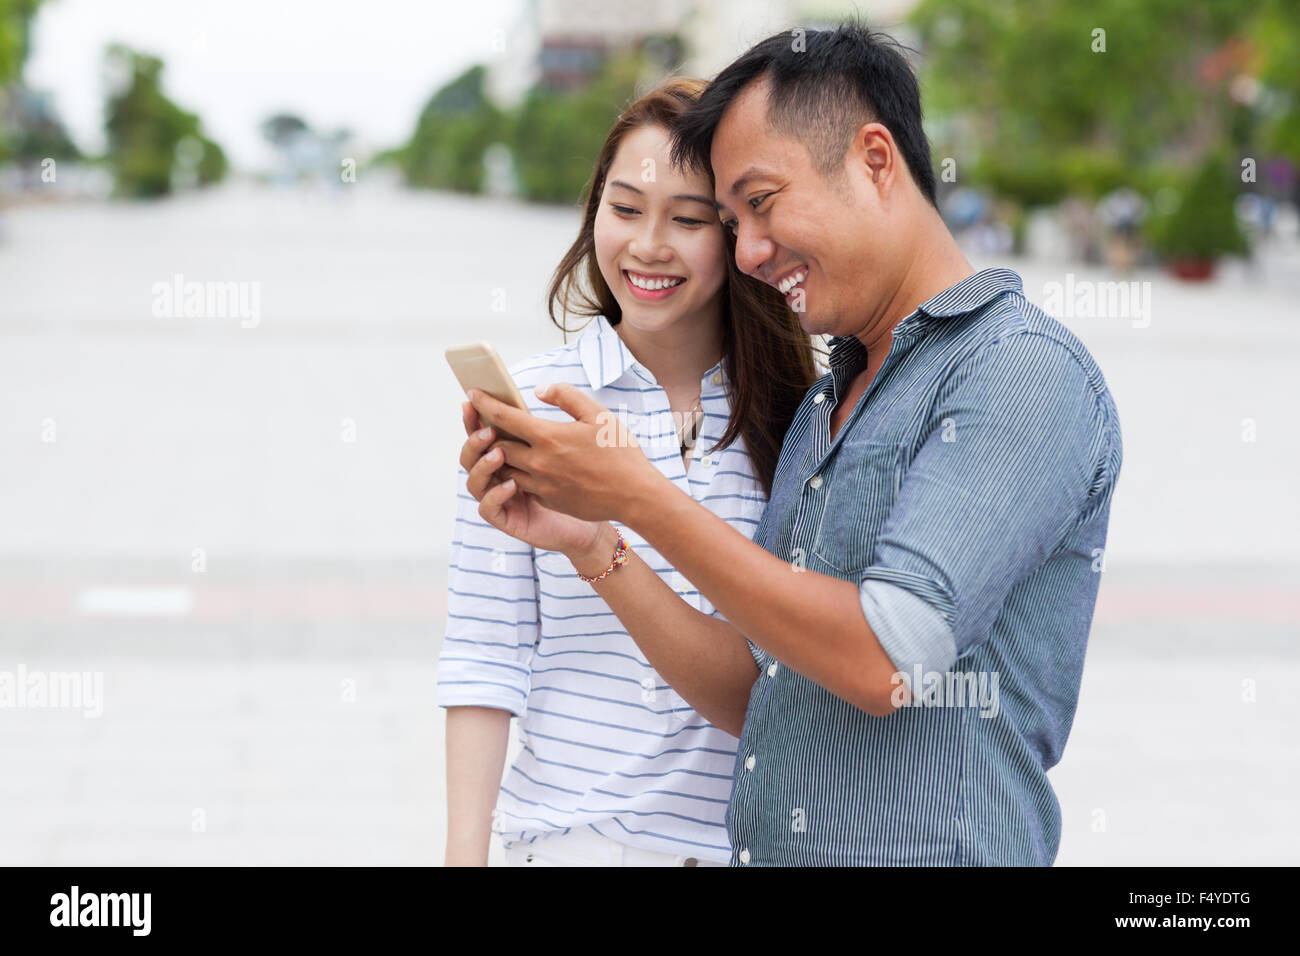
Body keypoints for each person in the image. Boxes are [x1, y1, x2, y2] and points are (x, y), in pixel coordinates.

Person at [460, 24, 1123, 866]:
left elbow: (888, 656)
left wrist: (639, 496)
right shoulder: (828, 398)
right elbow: (757, 687)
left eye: (761, 203)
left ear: (875, 162)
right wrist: (597, 546)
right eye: (732, 222)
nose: (749, 253)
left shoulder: (1019, 370)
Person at [437, 77, 820, 867]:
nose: (649, 245)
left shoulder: (799, 419)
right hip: (573, 845)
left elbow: (789, 682)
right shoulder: (536, 408)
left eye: (687, 219)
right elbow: (485, 653)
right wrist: (462, 856)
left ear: (740, 232)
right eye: (624, 209)